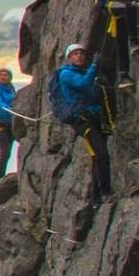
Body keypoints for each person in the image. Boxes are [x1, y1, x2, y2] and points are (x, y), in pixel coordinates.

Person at [48, 43, 114, 208]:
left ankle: (95, 198)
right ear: (69, 58)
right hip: (82, 120)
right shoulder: (67, 74)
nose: (79, 56)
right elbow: (83, 85)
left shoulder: (84, 73)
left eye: (81, 54)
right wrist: (94, 66)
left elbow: (91, 93)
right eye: (75, 54)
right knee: (102, 154)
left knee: (96, 157)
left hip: (94, 117)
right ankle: (105, 192)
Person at [0, 68, 17, 183]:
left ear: (10, 77)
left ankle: (3, 177)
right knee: (4, 151)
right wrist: (7, 109)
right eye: (1, 75)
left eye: (5, 75)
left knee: (8, 152)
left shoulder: (11, 89)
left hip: (10, 124)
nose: (3, 77)